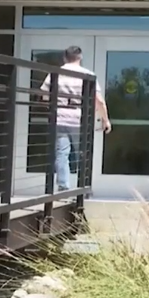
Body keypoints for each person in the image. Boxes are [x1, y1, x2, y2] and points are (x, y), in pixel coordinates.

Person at [39, 46, 112, 192]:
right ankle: (83, 186)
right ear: (80, 57)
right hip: (80, 119)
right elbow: (99, 100)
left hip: (59, 117)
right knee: (82, 153)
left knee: (61, 153)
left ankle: (63, 185)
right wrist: (105, 119)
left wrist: (52, 107)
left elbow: (44, 95)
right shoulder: (88, 75)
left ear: (64, 58)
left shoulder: (55, 73)